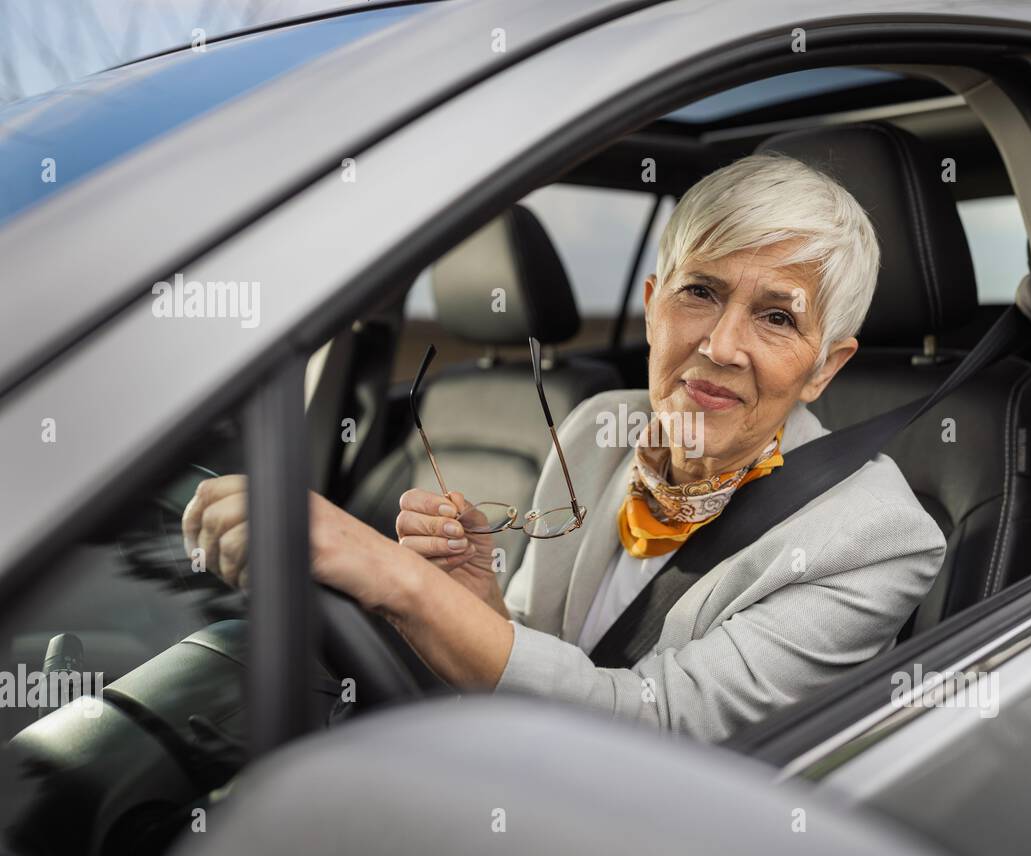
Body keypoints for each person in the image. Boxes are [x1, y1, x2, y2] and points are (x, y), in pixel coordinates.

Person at [182, 152, 947, 743]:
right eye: (701, 292)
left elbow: (659, 730)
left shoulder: (876, 538)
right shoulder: (595, 430)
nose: (720, 345)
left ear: (825, 367)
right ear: (652, 310)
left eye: (778, 318)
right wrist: (473, 596)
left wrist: (396, 582)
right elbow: (541, 657)